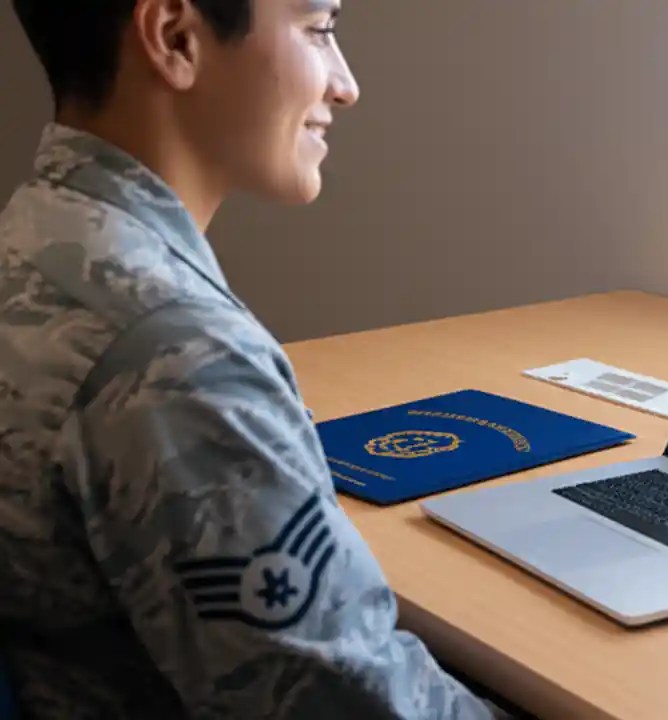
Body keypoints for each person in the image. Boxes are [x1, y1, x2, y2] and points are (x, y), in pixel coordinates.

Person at [0, 1, 501, 717]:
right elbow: (349, 701)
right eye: (318, 29)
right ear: (175, 37)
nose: (345, 84)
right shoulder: (173, 353)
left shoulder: (34, 235)